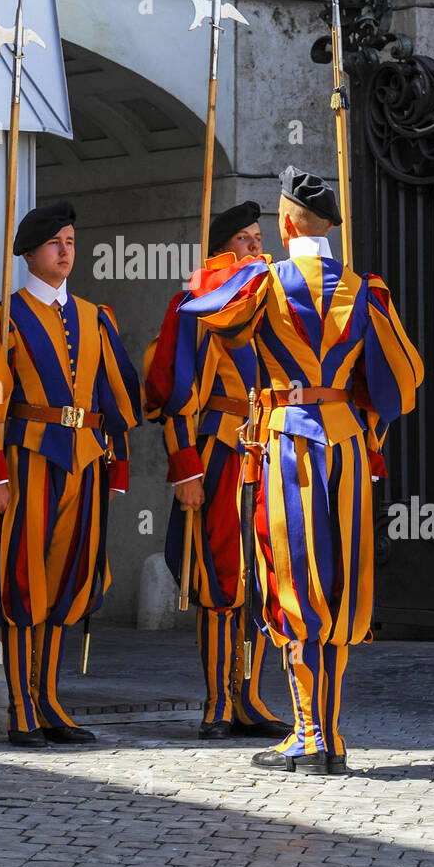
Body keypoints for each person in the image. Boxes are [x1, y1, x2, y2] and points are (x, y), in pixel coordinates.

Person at [179, 167, 423, 775]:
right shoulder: (366, 289)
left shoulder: (262, 283)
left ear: (286, 224)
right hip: (343, 447)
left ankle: (309, 735)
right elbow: (401, 383)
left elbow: (206, 313)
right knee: (337, 582)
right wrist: (361, 417)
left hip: (285, 442)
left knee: (290, 579)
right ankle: (330, 738)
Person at [0, 200, 142, 746]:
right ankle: (20, 707)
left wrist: (116, 467)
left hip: (83, 462)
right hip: (26, 459)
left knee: (68, 580)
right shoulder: (1, 317)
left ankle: (50, 701)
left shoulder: (97, 318)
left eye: (72, 242)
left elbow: (114, 401)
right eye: (56, 243)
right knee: (21, 579)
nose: (65, 251)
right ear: (29, 252)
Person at [143, 201, 289, 741]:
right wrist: (186, 469)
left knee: (259, 577)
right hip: (222, 451)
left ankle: (250, 696)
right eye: (248, 239)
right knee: (218, 576)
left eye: (259, 237)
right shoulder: (201, 305)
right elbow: (179, 397)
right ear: (227, 248)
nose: (258, 246)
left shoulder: (271, 301)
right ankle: (218, 700)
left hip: (266, 452)